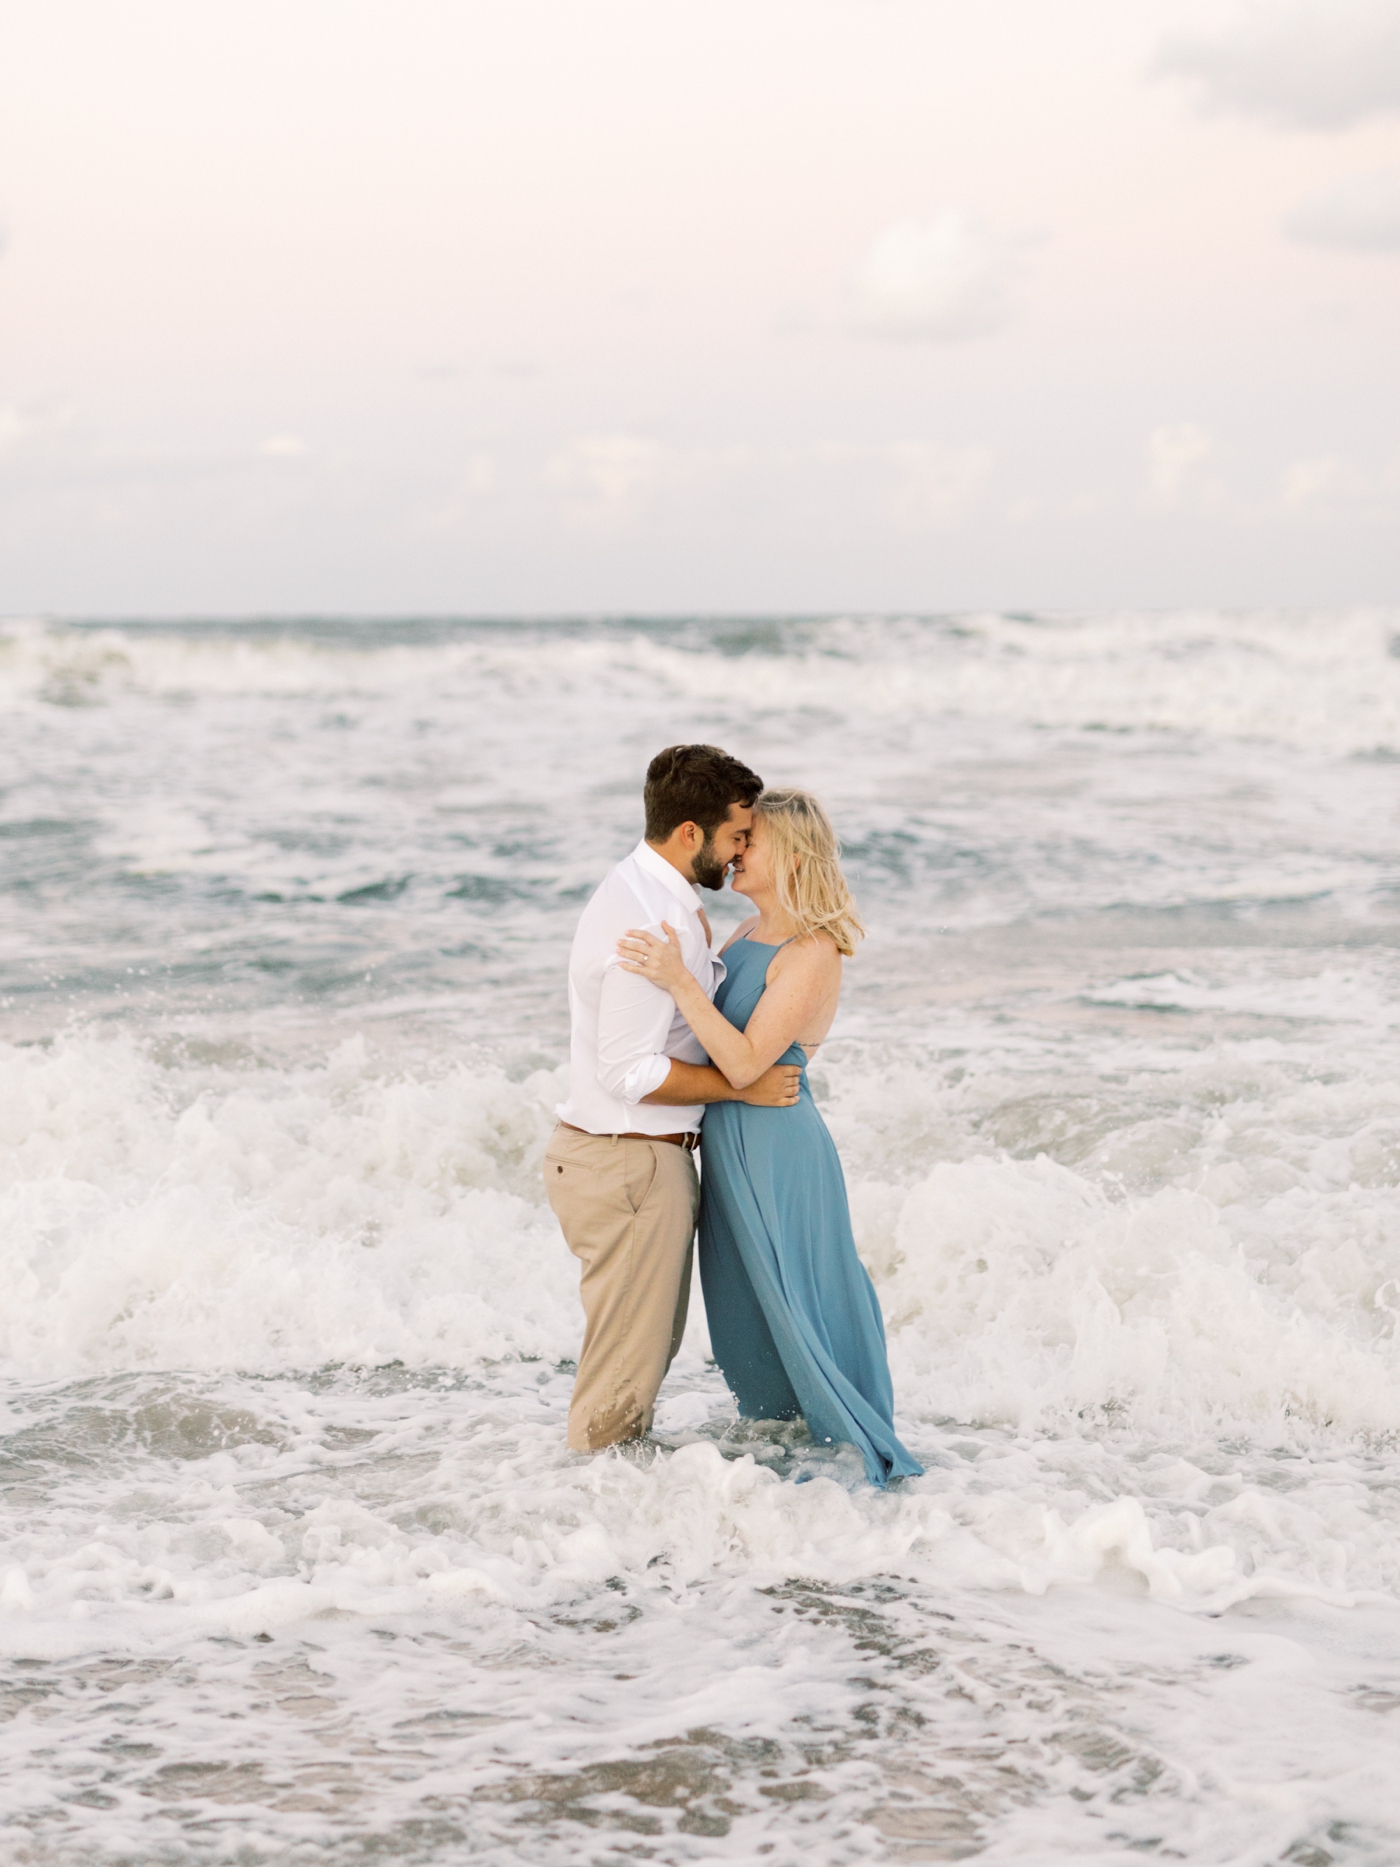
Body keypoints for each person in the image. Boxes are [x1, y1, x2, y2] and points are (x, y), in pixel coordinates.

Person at [618, 787, 922, 1488]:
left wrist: (678, 980)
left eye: (750, 840)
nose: (736, 851)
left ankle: (854, 1453)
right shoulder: (744, 934)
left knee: (800, 1293)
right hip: (730, 1140)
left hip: (778, 1144)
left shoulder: (812, 949)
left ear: (792, 855)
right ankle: (783, 1457)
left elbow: (747, 1063)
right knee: (746, 1302)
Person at [546, 745, 803, 1455]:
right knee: (620, 1390)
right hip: (629, 1163)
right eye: (737, 835)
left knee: (629, 1371)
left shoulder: (647, 893)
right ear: (692, 832)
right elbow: (629, 1071)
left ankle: (598, 1511)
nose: (742, 849)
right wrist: (744, 1085)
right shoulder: (656, 919)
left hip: (623, 1160)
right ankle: (590, 1514)